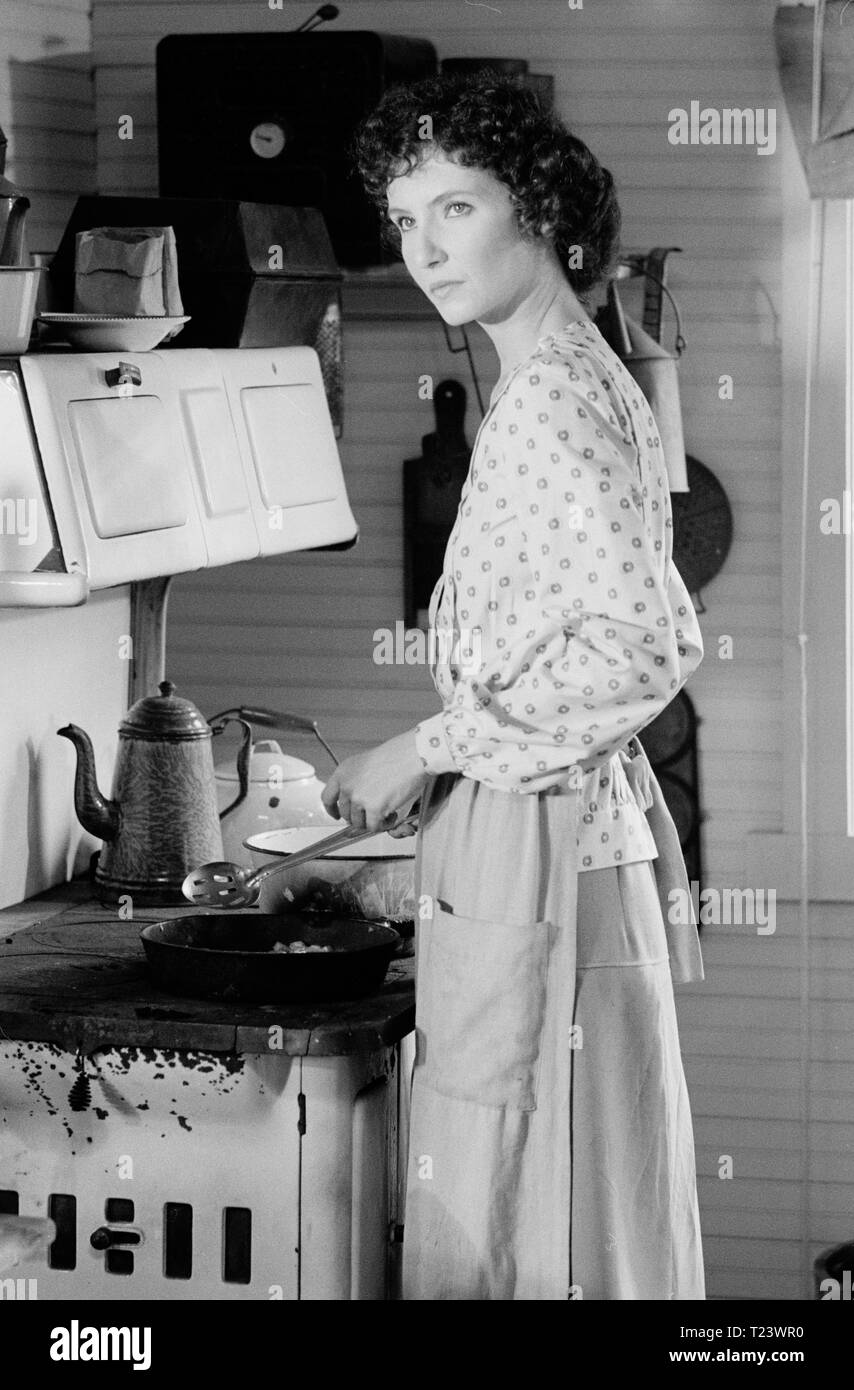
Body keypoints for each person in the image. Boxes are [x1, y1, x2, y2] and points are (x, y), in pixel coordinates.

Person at [322, 71, 706, 1300]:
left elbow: (644, 646)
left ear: (534, 208)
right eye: (402, 218)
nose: (423, 247)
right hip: (546, 834)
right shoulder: (552, 375)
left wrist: (421, 748)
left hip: (550, 850)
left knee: (539, 1203)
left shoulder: (552, 403)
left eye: (454, 209)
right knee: (558, 1194)